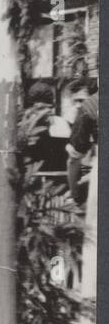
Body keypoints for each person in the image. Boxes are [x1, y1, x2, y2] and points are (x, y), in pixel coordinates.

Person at [66, 76, 97, 310]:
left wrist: (76, 191)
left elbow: (75, 156)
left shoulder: (91, 107)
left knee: (94, 240)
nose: (77, 104)